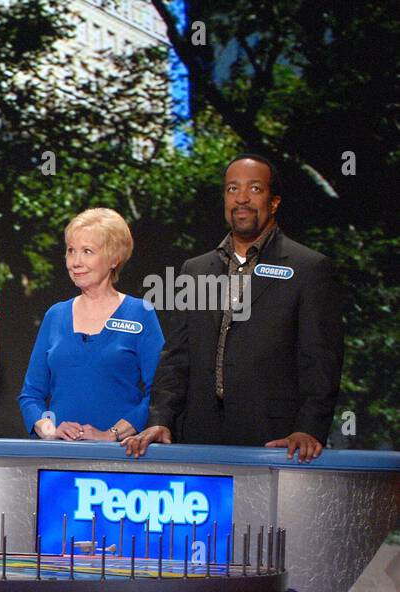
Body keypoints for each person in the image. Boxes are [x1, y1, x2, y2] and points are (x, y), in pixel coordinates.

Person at [125, 155, 343, 462]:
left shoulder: (309, 268)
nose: (241, 198)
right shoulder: (195, 270)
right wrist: (160, 419)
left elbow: (320, 360)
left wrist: (309, 428)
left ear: (275, 201)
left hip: (275, 444)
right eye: (232, 189)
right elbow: (176, 358)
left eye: (254, 189)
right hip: (197, 442)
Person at [18, 208, 163, 442]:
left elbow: (157, 394)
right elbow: (31, 395)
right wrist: (50, 430)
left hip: (120, 456)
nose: (75, 262)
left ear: (114, 259)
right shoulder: (55, 315)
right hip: (60, 456)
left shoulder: (140, 313)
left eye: (87, 252)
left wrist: (110, 435)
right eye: (71, 251)